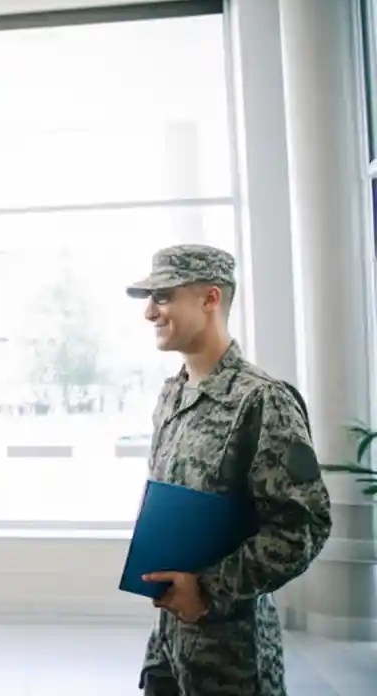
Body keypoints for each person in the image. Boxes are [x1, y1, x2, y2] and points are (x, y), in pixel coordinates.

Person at [126, 245, 331, 695]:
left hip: (232, 657)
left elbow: (302, 526)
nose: (149, 313)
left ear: (210, 299)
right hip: (169, 645)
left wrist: (209, 590)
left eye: (162, 297)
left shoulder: (262, 401)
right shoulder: (172, 396)